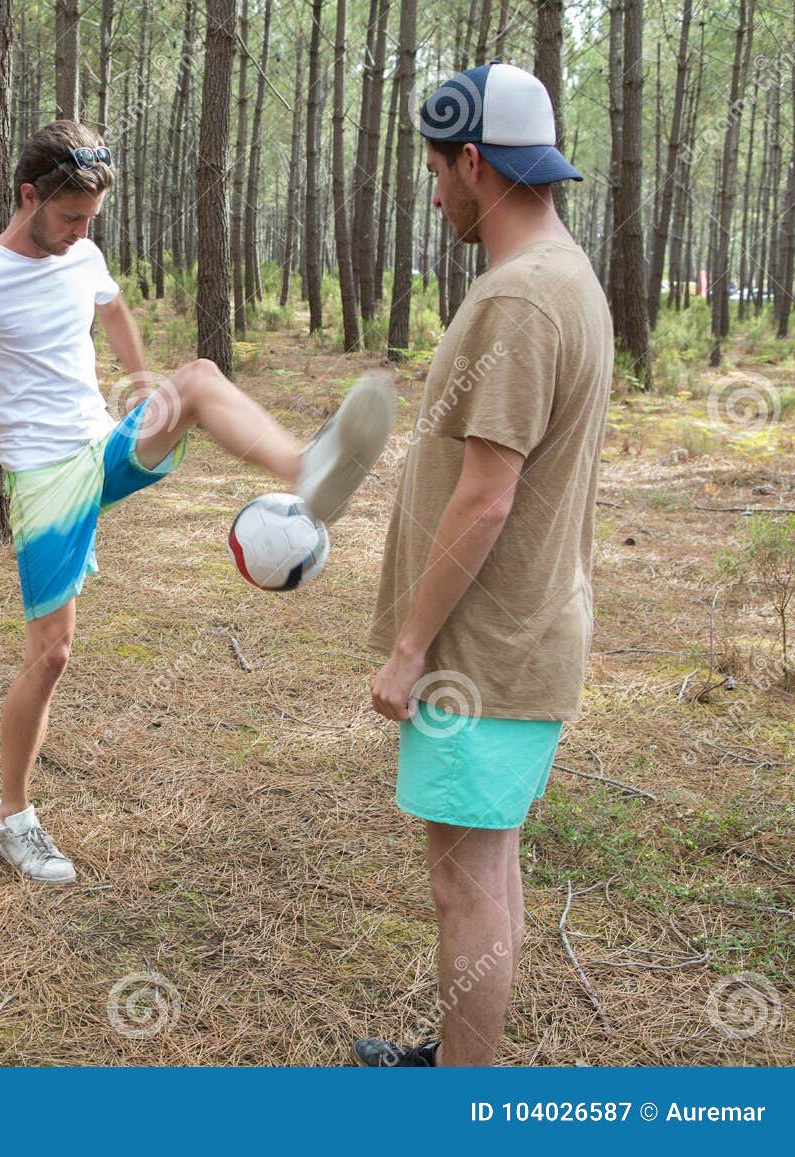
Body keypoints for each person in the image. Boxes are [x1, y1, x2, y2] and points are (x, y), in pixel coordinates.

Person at [0, 120, 393, 885]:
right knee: (52, 654)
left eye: (91, 220)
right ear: (29, 196)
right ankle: (12, 817)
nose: (80, 233)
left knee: (192, 379)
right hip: (45, 483)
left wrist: (135, 379)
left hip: (102, 448)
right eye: (68, 217)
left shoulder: (84, 251)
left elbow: (115, 306)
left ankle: (306, 467)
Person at [354, 62, 611, 1067]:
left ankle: (460, 1101)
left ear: (472, 161)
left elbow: (487, 493)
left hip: (482, 651)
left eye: (435, 168)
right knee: (484, 866)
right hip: (520, 635)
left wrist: (410, 645)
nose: (431, 192)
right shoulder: (564, 273)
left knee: (462, 882)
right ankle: (462, 1065)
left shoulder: (518, 300)